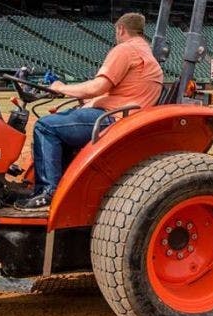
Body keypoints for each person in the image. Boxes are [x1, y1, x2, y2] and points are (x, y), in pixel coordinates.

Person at [15, 12, 163, 211]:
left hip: (113, 120)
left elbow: (97, 87)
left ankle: (47, 192)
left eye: (116, 32)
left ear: (120, 29)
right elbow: (119, 92)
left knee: (45, 126)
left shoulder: (125, 50)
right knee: (61, 125)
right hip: (124, 116)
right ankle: (61, 187)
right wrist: (82, 100)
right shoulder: (147, 54)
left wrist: (60, 88)